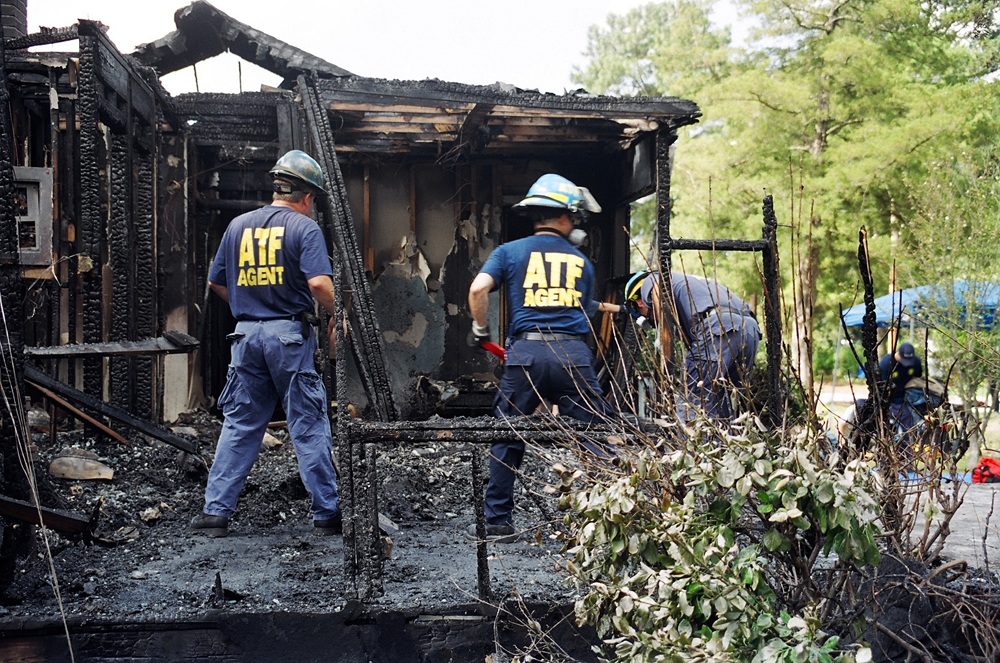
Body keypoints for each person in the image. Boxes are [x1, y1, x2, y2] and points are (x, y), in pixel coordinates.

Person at [191, 150, 341, 538]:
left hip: (245, 335)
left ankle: (215, 514)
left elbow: (216, 283)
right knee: (307, 422)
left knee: (240, 422)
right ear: (307, 196)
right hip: (288, 336)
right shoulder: (304, 228)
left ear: (278, 187)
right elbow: (320, 284)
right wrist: (340, 313)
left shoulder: (238, 226)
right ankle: (327, 512)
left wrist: (249, 305)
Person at [467, 173, 614, 543]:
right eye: (574, 218)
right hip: (573, 355)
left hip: (526, 354)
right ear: (564, 218)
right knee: (593, 434)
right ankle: (609, 517)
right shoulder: (582, 261)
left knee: (508, 433)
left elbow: (477, 289)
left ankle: (498, 523)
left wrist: (481, 330)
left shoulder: (508, 252)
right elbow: (584, 308)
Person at [624, 270, 761, 422]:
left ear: (639, 302)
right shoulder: (692, 286)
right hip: (750, 329)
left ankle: (689, 444)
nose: (651, 320)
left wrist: (666, 356)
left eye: (645, 315)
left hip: (719, 326)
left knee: (693, 400)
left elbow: (657, 288)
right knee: (725, 401)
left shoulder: (652, 280)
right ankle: (721, 443)